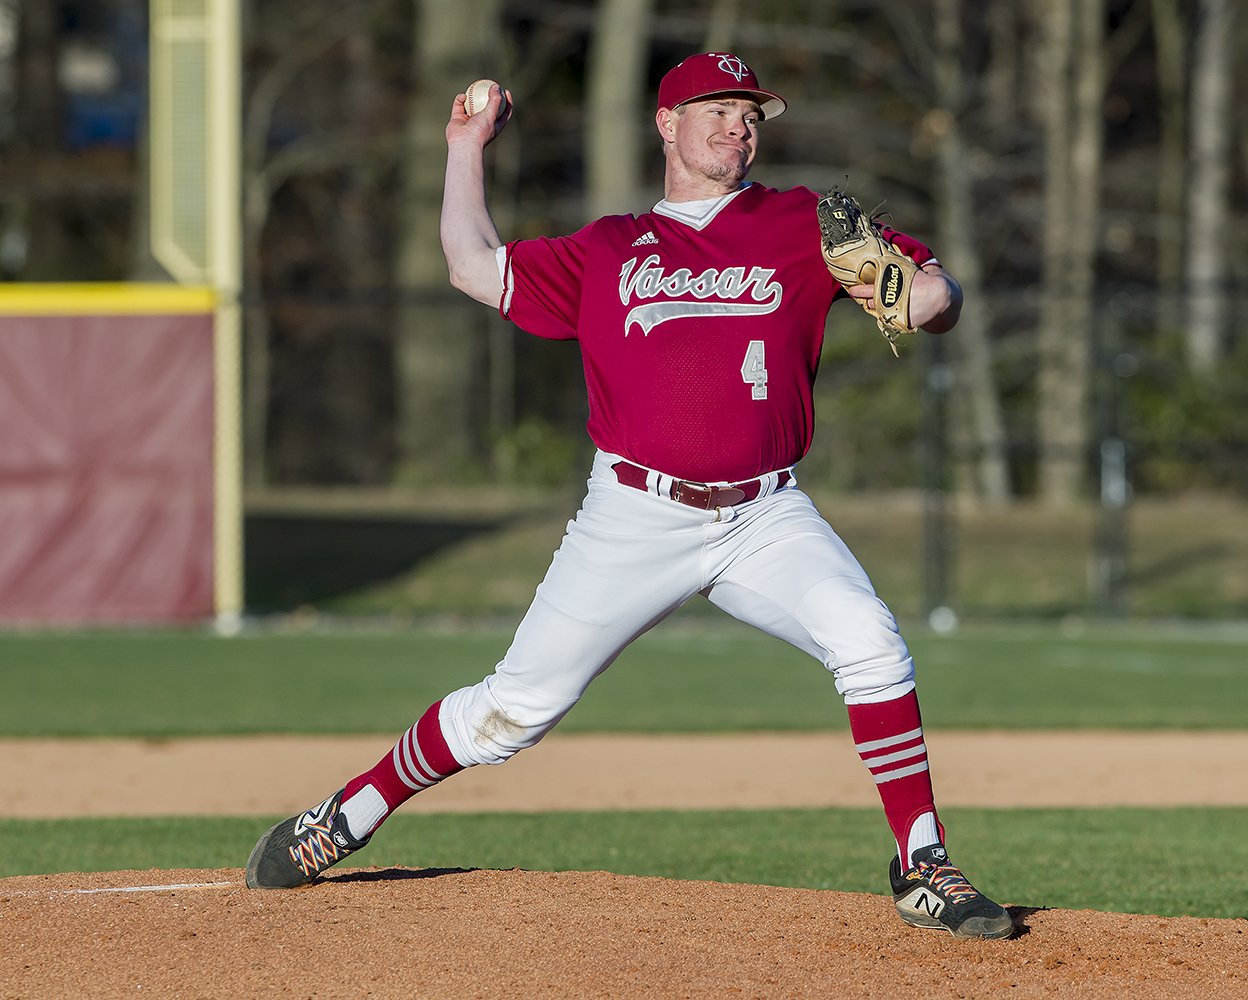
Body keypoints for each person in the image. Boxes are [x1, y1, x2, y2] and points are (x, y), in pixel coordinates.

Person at [245, 52, 1012, 941]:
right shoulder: (605, 250)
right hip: (635, 512)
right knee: (513, 712)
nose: (739, 125)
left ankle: (923, 863)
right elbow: (470, 264)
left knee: (874, 648)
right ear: (666, 124)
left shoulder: (804, 222)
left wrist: (915, 291)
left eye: (750, 113)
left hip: (765, 513)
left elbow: (935, 298)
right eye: (717, 109)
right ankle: (346, 816)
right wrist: (464, 145)